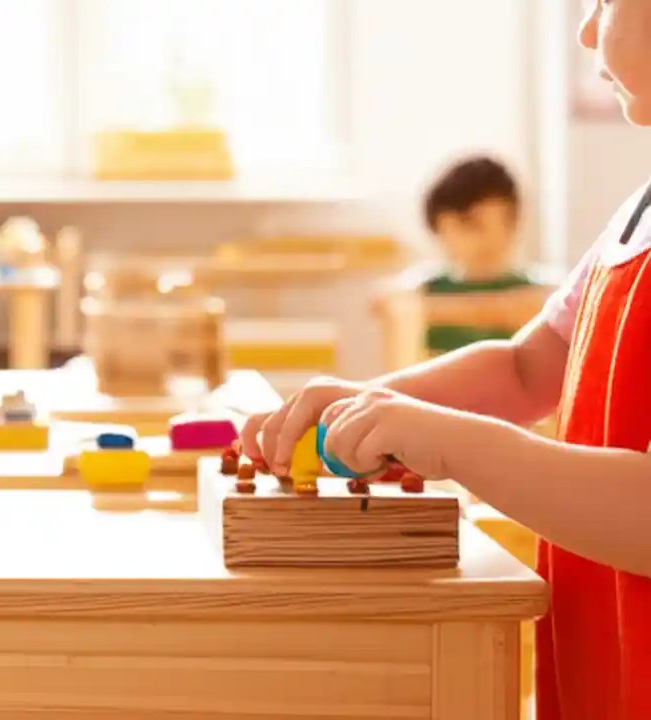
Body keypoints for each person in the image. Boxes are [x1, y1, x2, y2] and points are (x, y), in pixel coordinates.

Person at [242, 3, 651, 718]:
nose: (586, 31)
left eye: (608, 2)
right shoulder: (635, 213)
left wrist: (452, 443)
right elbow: (530, 367)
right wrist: (367, 405)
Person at [417, 156, 549, 355]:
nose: (495, 238)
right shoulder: (427, 287)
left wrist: (429, 310)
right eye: (473, 224)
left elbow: (533, 306)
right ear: (440, 224)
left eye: (506, 222)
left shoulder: (532, 290)